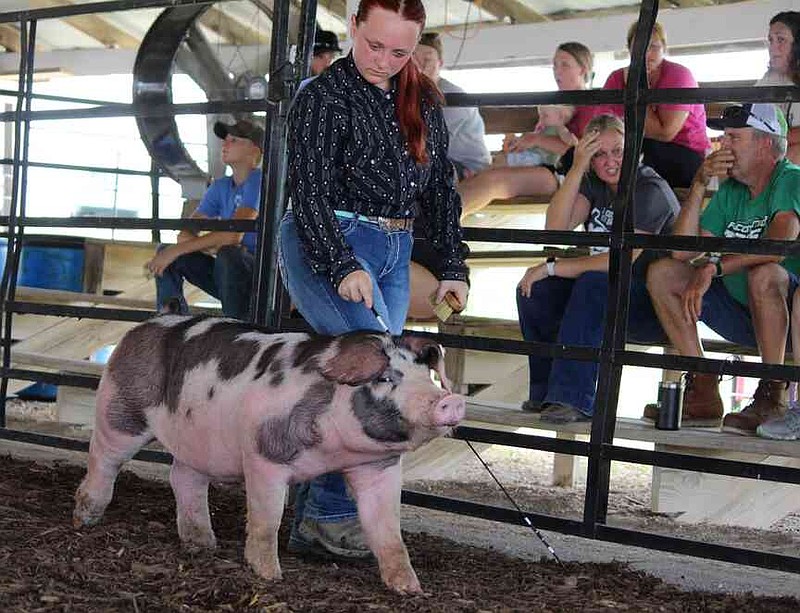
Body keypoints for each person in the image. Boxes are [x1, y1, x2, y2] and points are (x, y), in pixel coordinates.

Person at [279, 0, 470, 558]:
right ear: (353, 27)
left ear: (416, 47)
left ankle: (314, 507)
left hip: (394, 245)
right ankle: (331, 517)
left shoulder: (423, 100)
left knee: (360, 369)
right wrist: (340, 264)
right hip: (327, 237)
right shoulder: (319, 96)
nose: (382, 60)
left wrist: (454, 265)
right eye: (372, 44)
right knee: (379, 368)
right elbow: (307, 192)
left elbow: (438, 191)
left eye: (399, 51)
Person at [645, 103, 800, 434]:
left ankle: (773, 391)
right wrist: (700, 183)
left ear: (764, 143)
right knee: (663, 273)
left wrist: (714, 268)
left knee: (764, 274)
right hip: (741, 312)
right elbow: (681, 251)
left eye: (733, 138)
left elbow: (778, 245)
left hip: (789, 322)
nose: (723, 146)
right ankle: (703, 388)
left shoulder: (790, 179)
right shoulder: (731, 190)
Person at [516, 114, 678, 423]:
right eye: (599, 154)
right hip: (599, 301)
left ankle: (574, 399)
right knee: (536, 289)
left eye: (617, 151)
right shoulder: (595, 185)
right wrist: (577, 167)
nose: (610, 161)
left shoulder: (649, 189)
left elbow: (620, 261)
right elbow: (555, 231)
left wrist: (552, 268)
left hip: (651, 308)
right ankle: (547, 392)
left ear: (635, 151)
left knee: (591, 282)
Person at [457, 42, 598, 218]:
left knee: (493, 181)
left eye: (565, 65)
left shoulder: (592, 107)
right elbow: (539, 139)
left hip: (565, 175)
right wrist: (518, 142)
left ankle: (441, 227)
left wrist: (536, 140)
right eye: (554, 65)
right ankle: (438, 221)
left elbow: (584, 155)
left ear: (583, 71)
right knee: (478, 175)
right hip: (542, 166)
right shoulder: (554, 105)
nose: (557, 71)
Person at [146, 118, 264, 320]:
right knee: (166, 251)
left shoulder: (260, 180)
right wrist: (207, 244)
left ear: (254, 151)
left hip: (259, 280)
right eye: (225, 140)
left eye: (234, 140)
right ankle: (169, 320)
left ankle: (235, 327)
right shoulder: (220, 187)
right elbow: (185, 234)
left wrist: (189, 247)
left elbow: (233, 236)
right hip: (227, 276)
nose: (225, 144)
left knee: (228, 254)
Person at [602, 21, 710, 189]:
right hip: (631, 147)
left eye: (653, 46)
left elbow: (666, 133)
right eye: (639, 46)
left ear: (664, 49)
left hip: (684, 152)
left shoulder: (679, 76)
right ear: (629, 49)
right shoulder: (615, 79)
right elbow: (602, 125)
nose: (646, 53)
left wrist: (635, 89)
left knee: (642, 152)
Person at [413, 31, 491, 179]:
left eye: (427, 60)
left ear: (440, 63)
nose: (419, 67)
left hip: (468, 169)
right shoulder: (408, 94)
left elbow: (430, 142)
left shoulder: (453, 96)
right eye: (413, 60)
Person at [756, 11, 800, 164]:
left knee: (794, 155)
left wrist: (768, 143)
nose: (773, 48)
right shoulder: (770, 78)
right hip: (774, 148)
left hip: (782, 150)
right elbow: (752, 120)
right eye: (771, 40)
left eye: (781, 40)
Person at [499, 104, 578, 168]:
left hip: (542, 160)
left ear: (561, 117)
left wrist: (571, 139)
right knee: (506, 158)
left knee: (505, 160)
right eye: (540, 115)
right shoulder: (545, 126)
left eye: (545, 115)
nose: (541, 119)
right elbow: (530, 139)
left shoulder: (559, 127)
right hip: (534, 155)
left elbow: (569, 141)